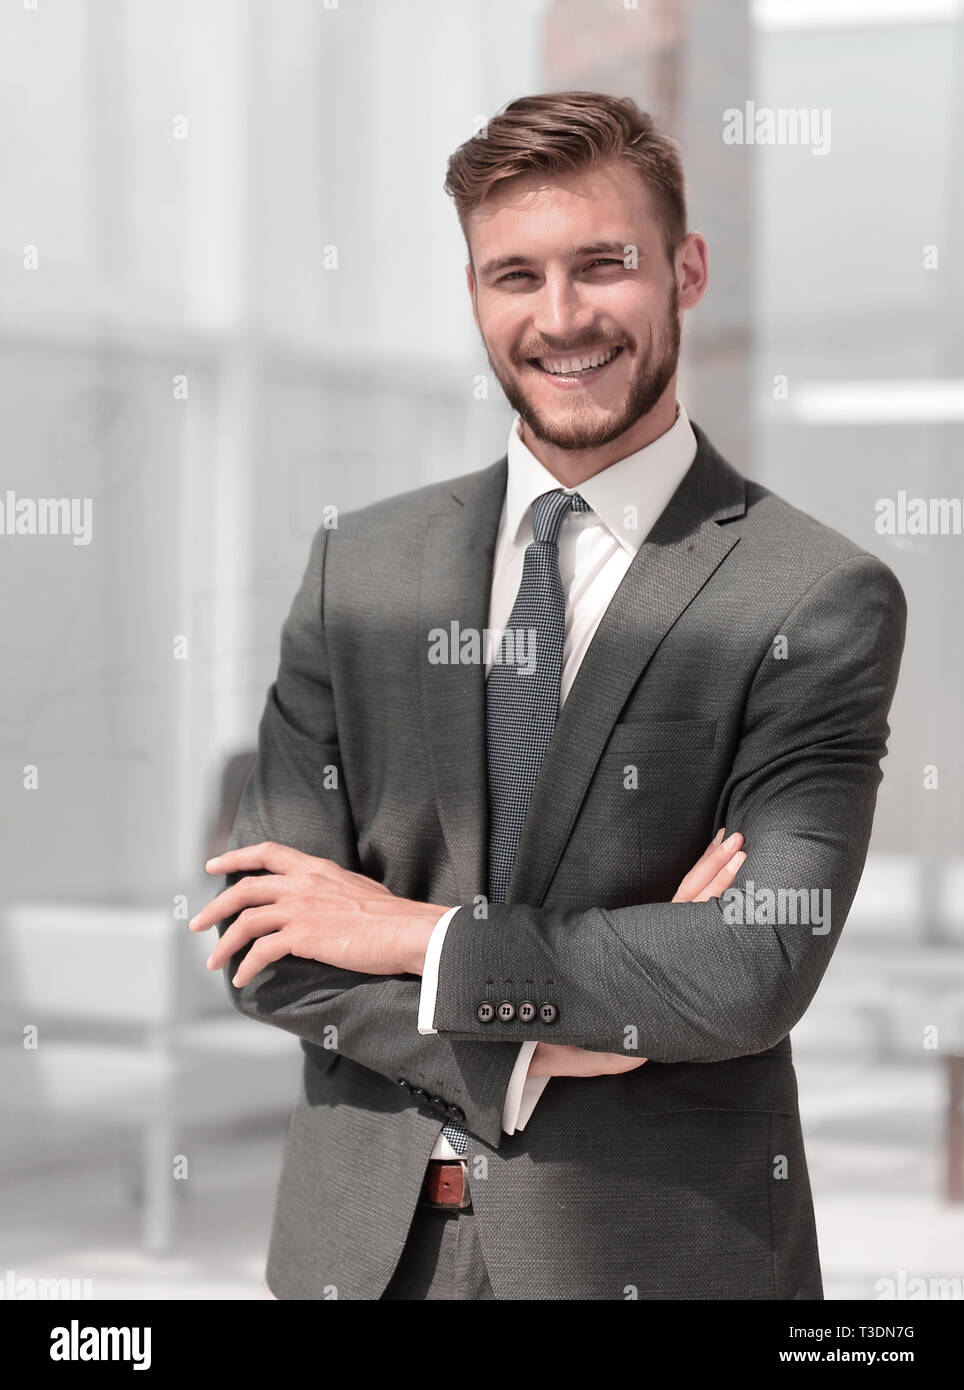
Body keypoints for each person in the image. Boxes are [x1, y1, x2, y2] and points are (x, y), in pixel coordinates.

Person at [189, 92, 906, 1300]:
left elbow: (751, 965)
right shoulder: (356, 569)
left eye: (602, 265)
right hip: (362, 1259)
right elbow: (267, 943)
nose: (560, 317)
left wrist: (412, 931)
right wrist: (558, 1038)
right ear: (473, 292)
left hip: (659, 1255)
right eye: (513, 275)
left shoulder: (815, 595)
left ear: (685, 269)